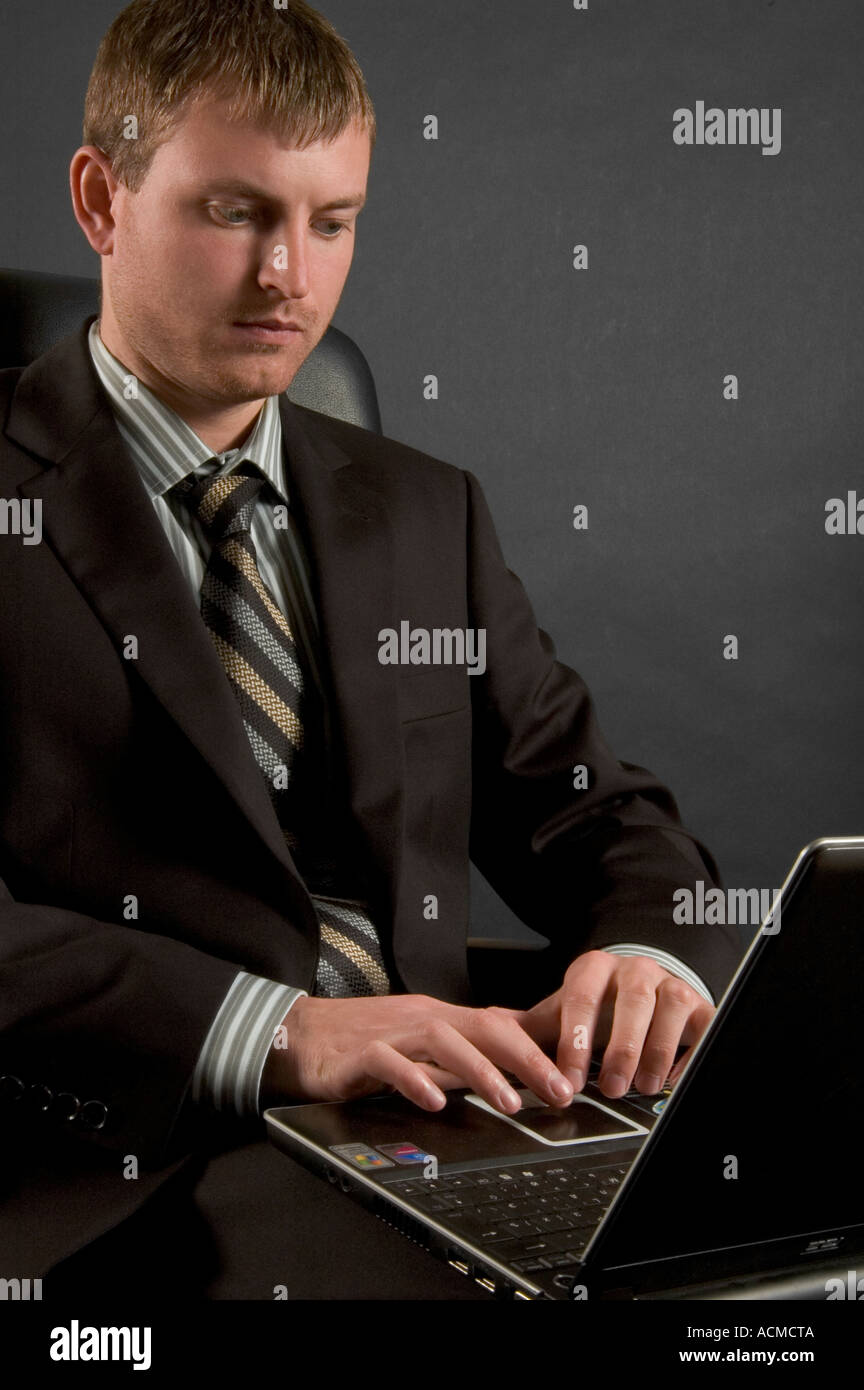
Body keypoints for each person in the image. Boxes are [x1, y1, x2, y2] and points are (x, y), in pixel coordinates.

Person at [0, 0, 741, 1295]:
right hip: (110, 1173)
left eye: (330, 221)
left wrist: (648, 950)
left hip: (445, 1141)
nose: (290, 272)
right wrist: (277, 1030)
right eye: (236, 212)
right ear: (102, 199)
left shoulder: (421, 508)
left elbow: (591, 806)